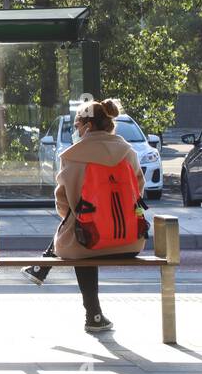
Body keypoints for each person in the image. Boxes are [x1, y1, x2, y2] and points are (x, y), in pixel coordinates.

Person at [22, 98, 147, 333]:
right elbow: (138, 191)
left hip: (88, 243)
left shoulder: (72, 156)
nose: (76, 131)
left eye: (77, 125)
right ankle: (92, 315)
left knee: (81, 233)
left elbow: (62, 204)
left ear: (87, 126)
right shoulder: (128, 152)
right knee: (83, 229)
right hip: (130, 241)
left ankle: (93, 314)